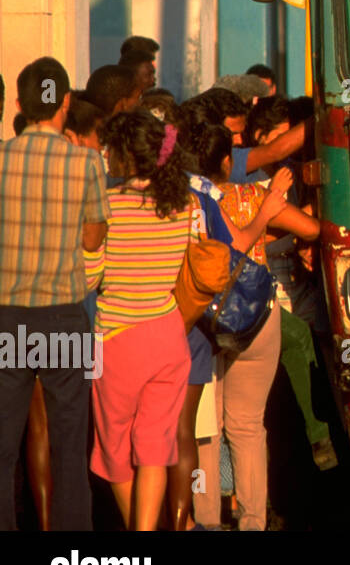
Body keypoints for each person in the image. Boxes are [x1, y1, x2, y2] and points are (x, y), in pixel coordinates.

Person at [0, 58, 108, 532]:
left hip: (8, 318)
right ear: (66, 103)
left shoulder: (1, 160)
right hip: (64, 316)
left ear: (19, 106)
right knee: (69, 445)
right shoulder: (86, 162)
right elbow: (92, 240)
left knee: (3, 447)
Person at [190, 128, 317, 531]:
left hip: (201, 323)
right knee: (247, 426)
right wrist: (268, 220)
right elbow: (312, 230)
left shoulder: (182, 202)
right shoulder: (253, 197)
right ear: (228, 162)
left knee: (203, 431)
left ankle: (206, 518)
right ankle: (253, 521)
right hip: (254, 318)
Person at [91, 110, 200, 530]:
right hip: (169, 336)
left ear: (125, 155)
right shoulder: (182, 202)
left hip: (117, 340)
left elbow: (91, 277)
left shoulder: (108, 207)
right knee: (155, 448)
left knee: (115, 451)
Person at [244, 97, 338, 470]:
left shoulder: (293, 172)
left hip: (297, 275)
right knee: (293, 342)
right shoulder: (244, 177)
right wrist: (296, 230)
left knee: (322, 342)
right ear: (259, 136)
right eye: (281, 139)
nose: (287, 150)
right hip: (265, 279)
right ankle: (313, 437)